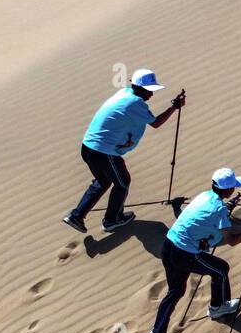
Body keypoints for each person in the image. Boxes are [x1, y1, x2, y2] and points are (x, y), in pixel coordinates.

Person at [142, 168, 241, 333]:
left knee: (175, 291)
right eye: (233, 187)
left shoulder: (204, 196)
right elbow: (231, 239)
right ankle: (218, 308)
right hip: (186, 253)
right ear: (228, 190)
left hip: (168, 246)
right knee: (221, 270)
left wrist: (237, 217)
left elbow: (213, 221)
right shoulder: (218, 209)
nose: (234, 190)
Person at [62, 69, 184, 234]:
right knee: (122, 182)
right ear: (139, 88)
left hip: (88, 147)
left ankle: (76, 216)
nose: (151, 95)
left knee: (104, 181)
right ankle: (111, 220)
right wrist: (174, 107)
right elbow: (156, 123)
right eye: (149, 90)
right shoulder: (135, 103)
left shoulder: (124, 92)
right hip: (104, 152)